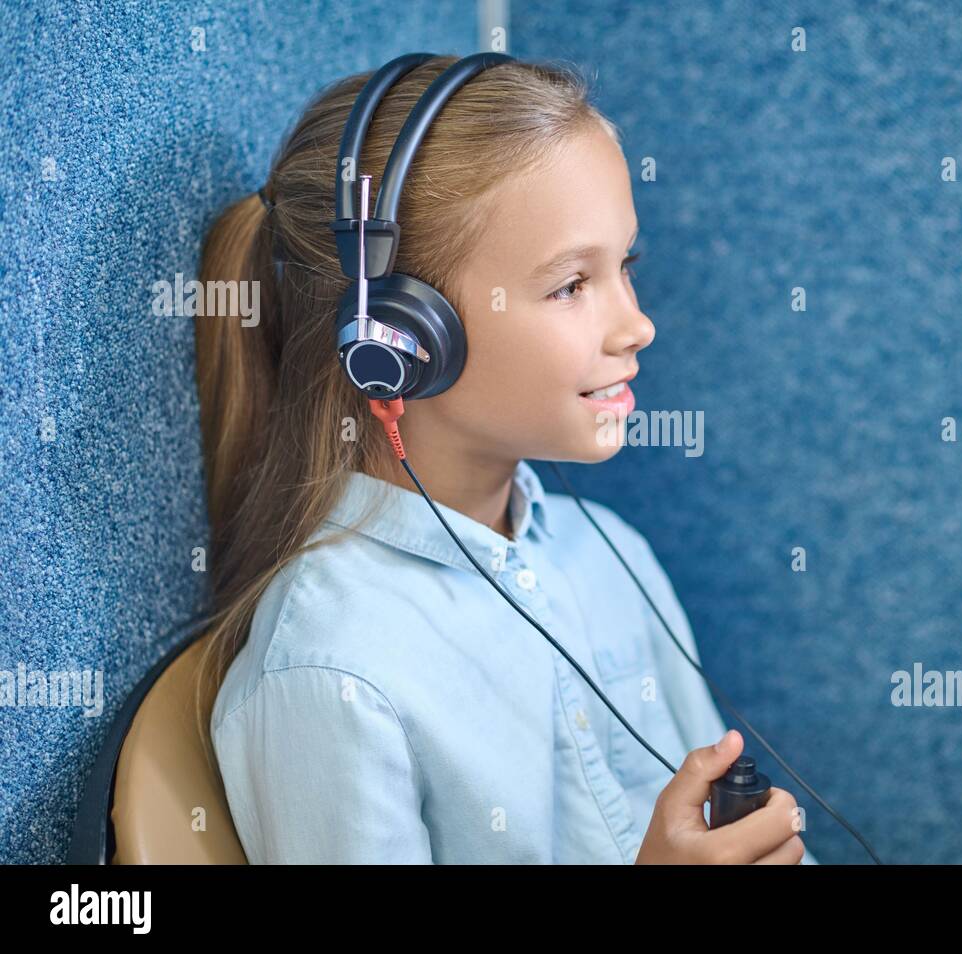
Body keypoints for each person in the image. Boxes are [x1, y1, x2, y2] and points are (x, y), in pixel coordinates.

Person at [193, 54, 815, 864]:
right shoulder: (329, 673)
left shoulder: (609, 555)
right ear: (404, 338)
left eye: (624, 267)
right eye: (570, 286)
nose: (636, 326)